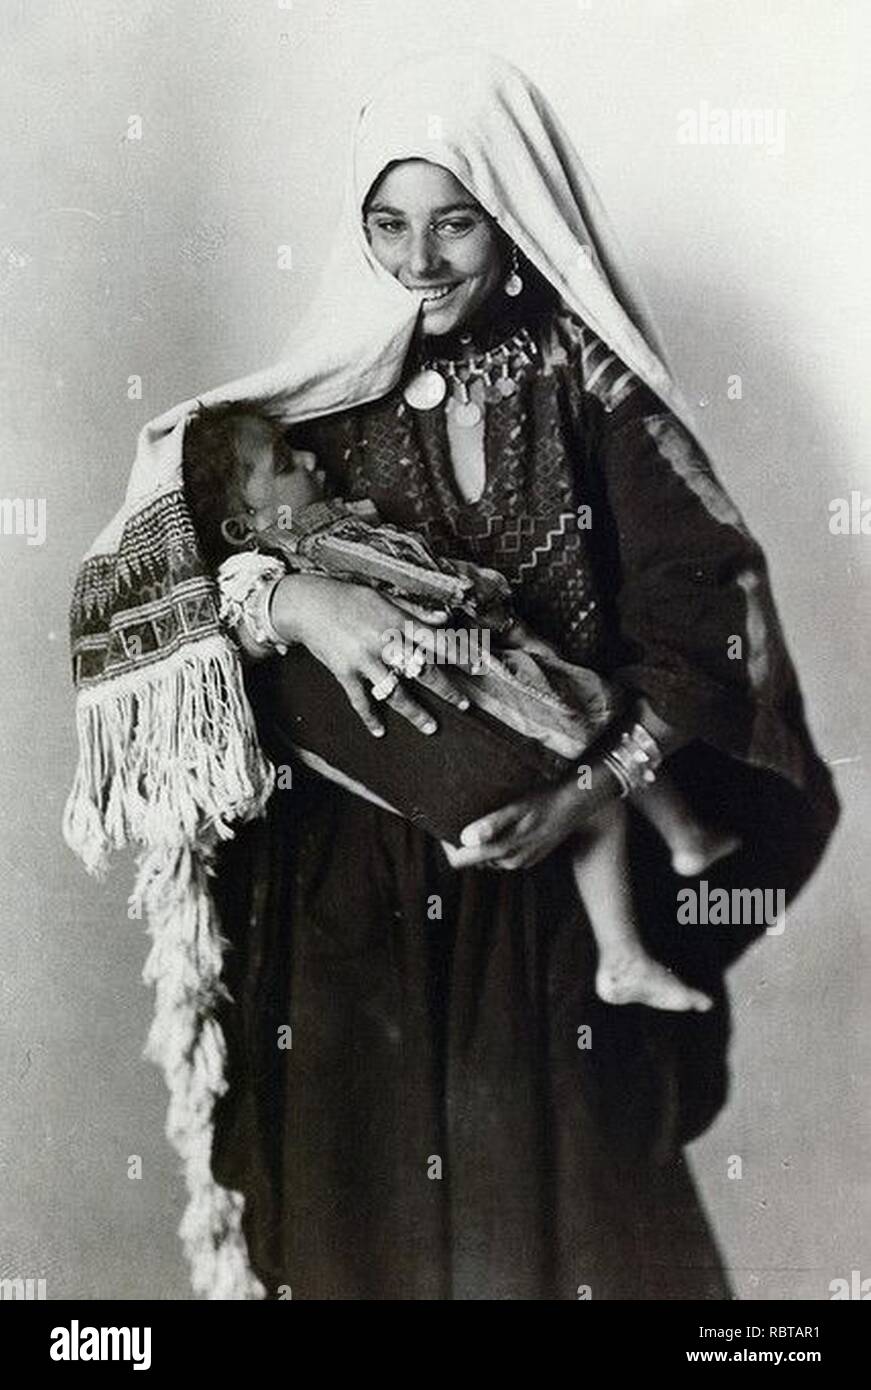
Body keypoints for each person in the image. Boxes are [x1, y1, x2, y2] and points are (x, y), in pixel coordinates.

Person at [63, 53, 839, 1300]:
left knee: (567, 1243)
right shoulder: (303, 404)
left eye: (454, 224)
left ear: (514, 218)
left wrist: (591, 792)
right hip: (342, 918)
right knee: (356, 1236)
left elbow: (705, 616)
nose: (418, 262)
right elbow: (129, 604)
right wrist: (291, 599)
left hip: (544, 902)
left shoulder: (592, 389)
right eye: (386, 226)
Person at [182, 401, 740, 1011]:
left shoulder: (319, 530)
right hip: (457, 692)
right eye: (286, 462)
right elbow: (399, 581)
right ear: (243, 527)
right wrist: (462, 592)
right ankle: (644, 913)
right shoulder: (313, 547)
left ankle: (670, 864)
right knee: (598, 732)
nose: (311, 459)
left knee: (600, 749)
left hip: (451, 714)